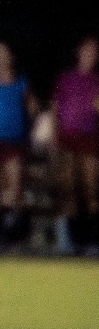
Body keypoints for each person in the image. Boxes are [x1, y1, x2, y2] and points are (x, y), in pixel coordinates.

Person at [0, 42, 37, 251]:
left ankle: (13, 236)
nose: (0, 59)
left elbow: (33, 110)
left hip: (15, 143)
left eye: (4, 54)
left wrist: (26, 132)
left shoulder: (22, 84)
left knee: (14, 188)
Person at [50, 35, 99, 254]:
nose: (90, 55)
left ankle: (92, 240)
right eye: (87, 50)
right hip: (68, 139)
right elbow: (55, 109)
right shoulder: (65, 78)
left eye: (94, 51)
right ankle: (67, 241)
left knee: (91, 188)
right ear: (79, 52)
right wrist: (54, 136)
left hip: (91, 141)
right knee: (67, 188)